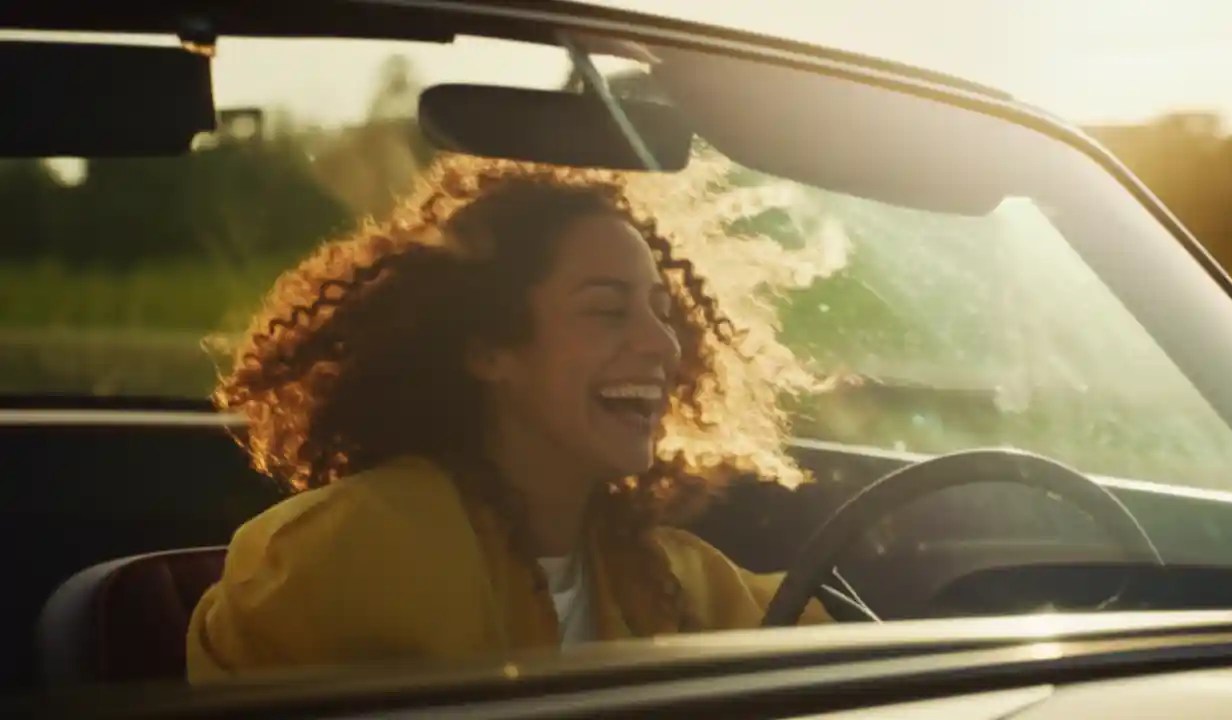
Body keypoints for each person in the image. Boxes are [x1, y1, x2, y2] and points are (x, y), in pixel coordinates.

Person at [187, 155, 830, 682]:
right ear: (488, 349)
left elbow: (838, 665)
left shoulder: (674, 573)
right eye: (608, 311)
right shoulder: (333, 559)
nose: (663, 345)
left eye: (663, 311)